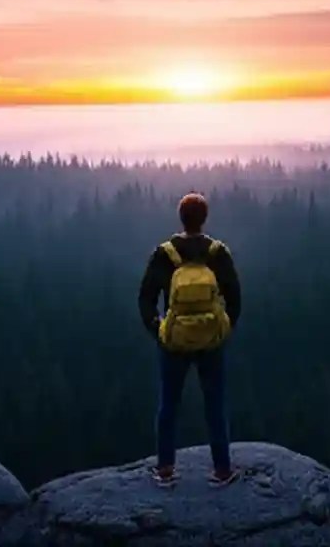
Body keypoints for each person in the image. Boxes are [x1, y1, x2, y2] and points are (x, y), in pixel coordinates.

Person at [137, 192, 242, 487]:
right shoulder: (217, 253)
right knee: (215, 405)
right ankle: (222, 470)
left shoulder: (165, 254)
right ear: (204, 218)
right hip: (211, 341)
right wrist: (223, 329)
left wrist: (158, 329)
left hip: (173, 343)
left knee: (168, 404)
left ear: (180, 218)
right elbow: (235, 297)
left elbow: (146, 298)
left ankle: (165, 470)